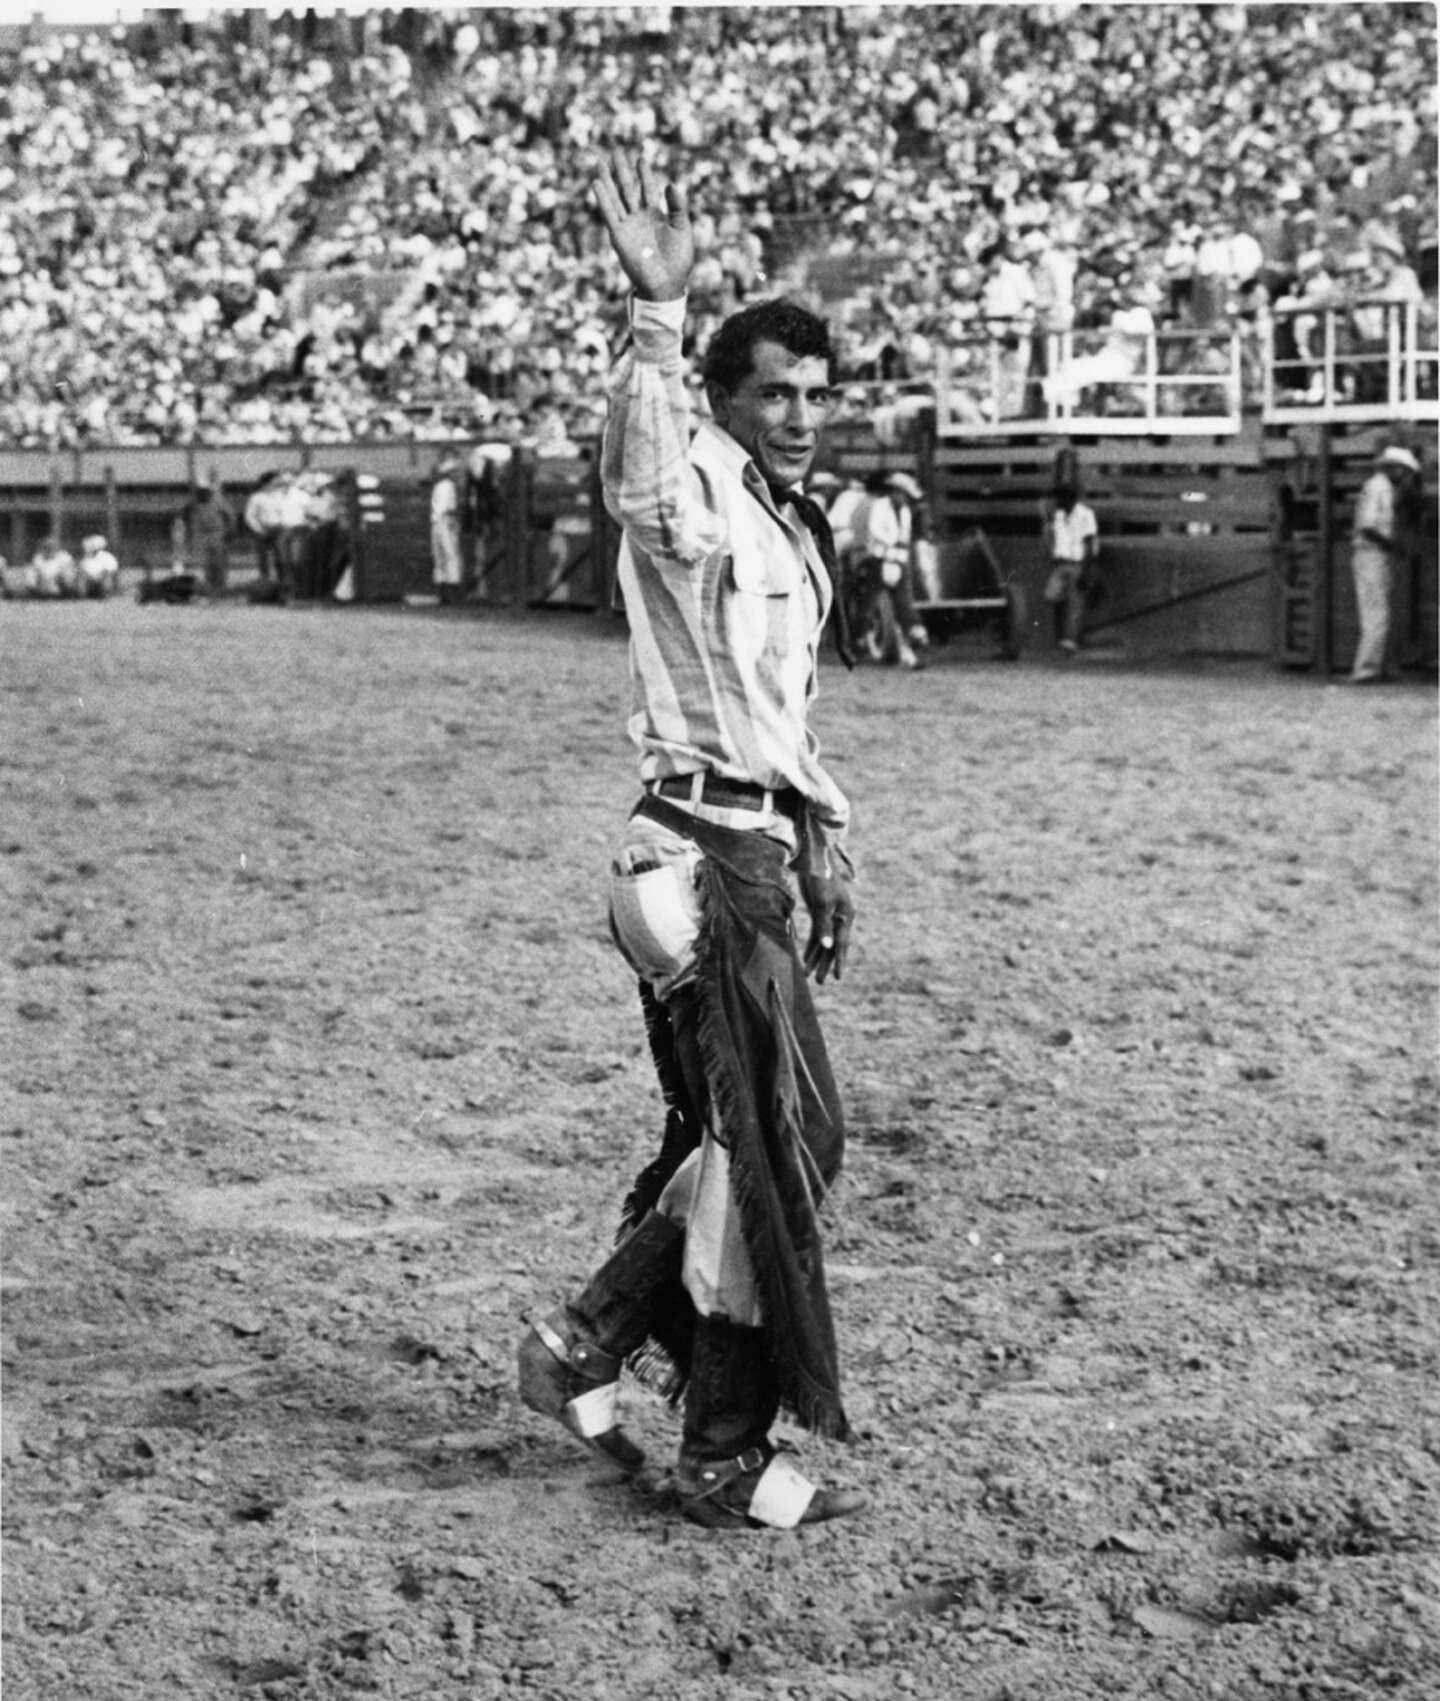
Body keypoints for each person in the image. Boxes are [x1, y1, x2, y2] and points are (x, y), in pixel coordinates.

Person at [517, 150, 864, 1534]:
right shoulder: (699, 495)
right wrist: (656, 320)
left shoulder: (787, 517)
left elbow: (785, 713)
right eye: (772, 394)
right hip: (693, 859)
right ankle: (715, 1445)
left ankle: (587, 1345)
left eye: (814, 398)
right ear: (722, 400)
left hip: (747, 852)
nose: (797, 417)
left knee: (763, 1143)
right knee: (777, 1143)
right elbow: (640, 483)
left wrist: (824, 833)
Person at [1349, 444, 1420, 684]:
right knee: (1376, 614)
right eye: (1403, 471)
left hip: (1376, 554)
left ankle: (1375, 668)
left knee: (1379, 612)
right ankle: (1366, 671)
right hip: (1371, 554)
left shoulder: (1383, 487)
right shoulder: (1377, 487)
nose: (1404, 476)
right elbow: (1367, 526)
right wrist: (1391, 545)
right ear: (1394, 468)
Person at [1043, 453, 1099, 654]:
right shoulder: (1057, 515)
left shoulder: (1085, 515)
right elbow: (1052, 538)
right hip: (1060, 563)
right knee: (1052, 597)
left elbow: (1089, 543)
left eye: (1061, 497)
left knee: (1075, 602)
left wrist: (1087, 569)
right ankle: (1062, 637)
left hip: (1077, 563)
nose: (1058, 500)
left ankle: (1070, 639)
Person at [429, 453, 464, 604]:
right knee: (451, 557)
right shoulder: (448, 486)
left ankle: (442, 595)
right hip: (445, 522)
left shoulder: (438, 486)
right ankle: (452, 595)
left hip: (437, 523)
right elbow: (444, 509)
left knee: (440, 559)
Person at [77, 534, 120, 599]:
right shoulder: (85, 559)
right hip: (90, 581)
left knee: (107, 578)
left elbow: (111, 572)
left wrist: (99, 576)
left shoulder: (107, 557)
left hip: (102, 580)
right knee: (81, 577)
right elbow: (82, 571)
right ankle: (82, 596)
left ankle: (106, 594)